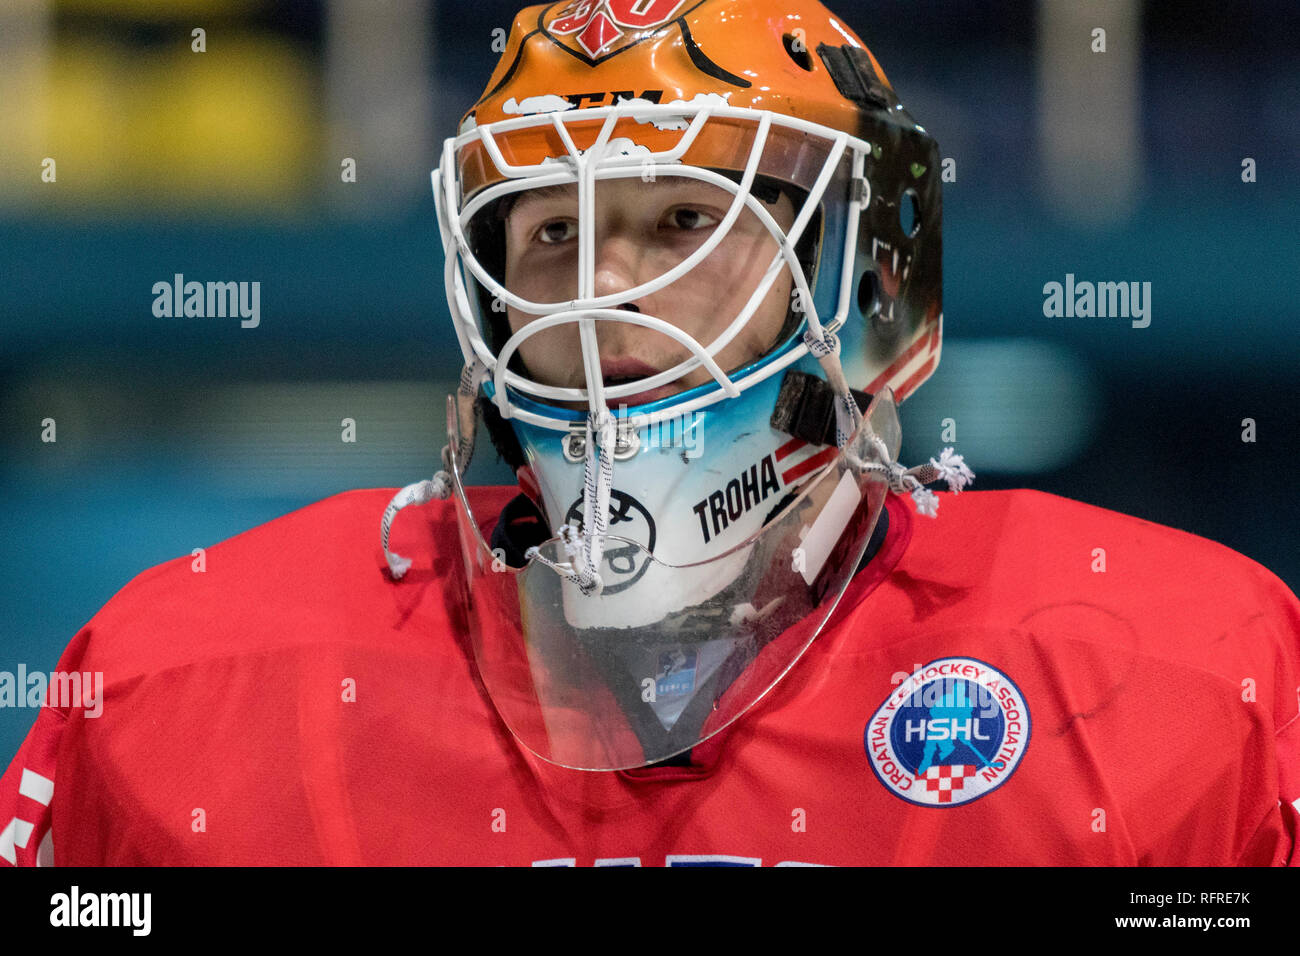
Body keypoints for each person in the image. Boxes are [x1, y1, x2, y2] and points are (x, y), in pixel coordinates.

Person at [3, 0, 1297, 867]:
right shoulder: (188, 687)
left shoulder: (1169, 672)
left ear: (862, 272)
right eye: (557, 231)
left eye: (684, 220)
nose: (606, 292)